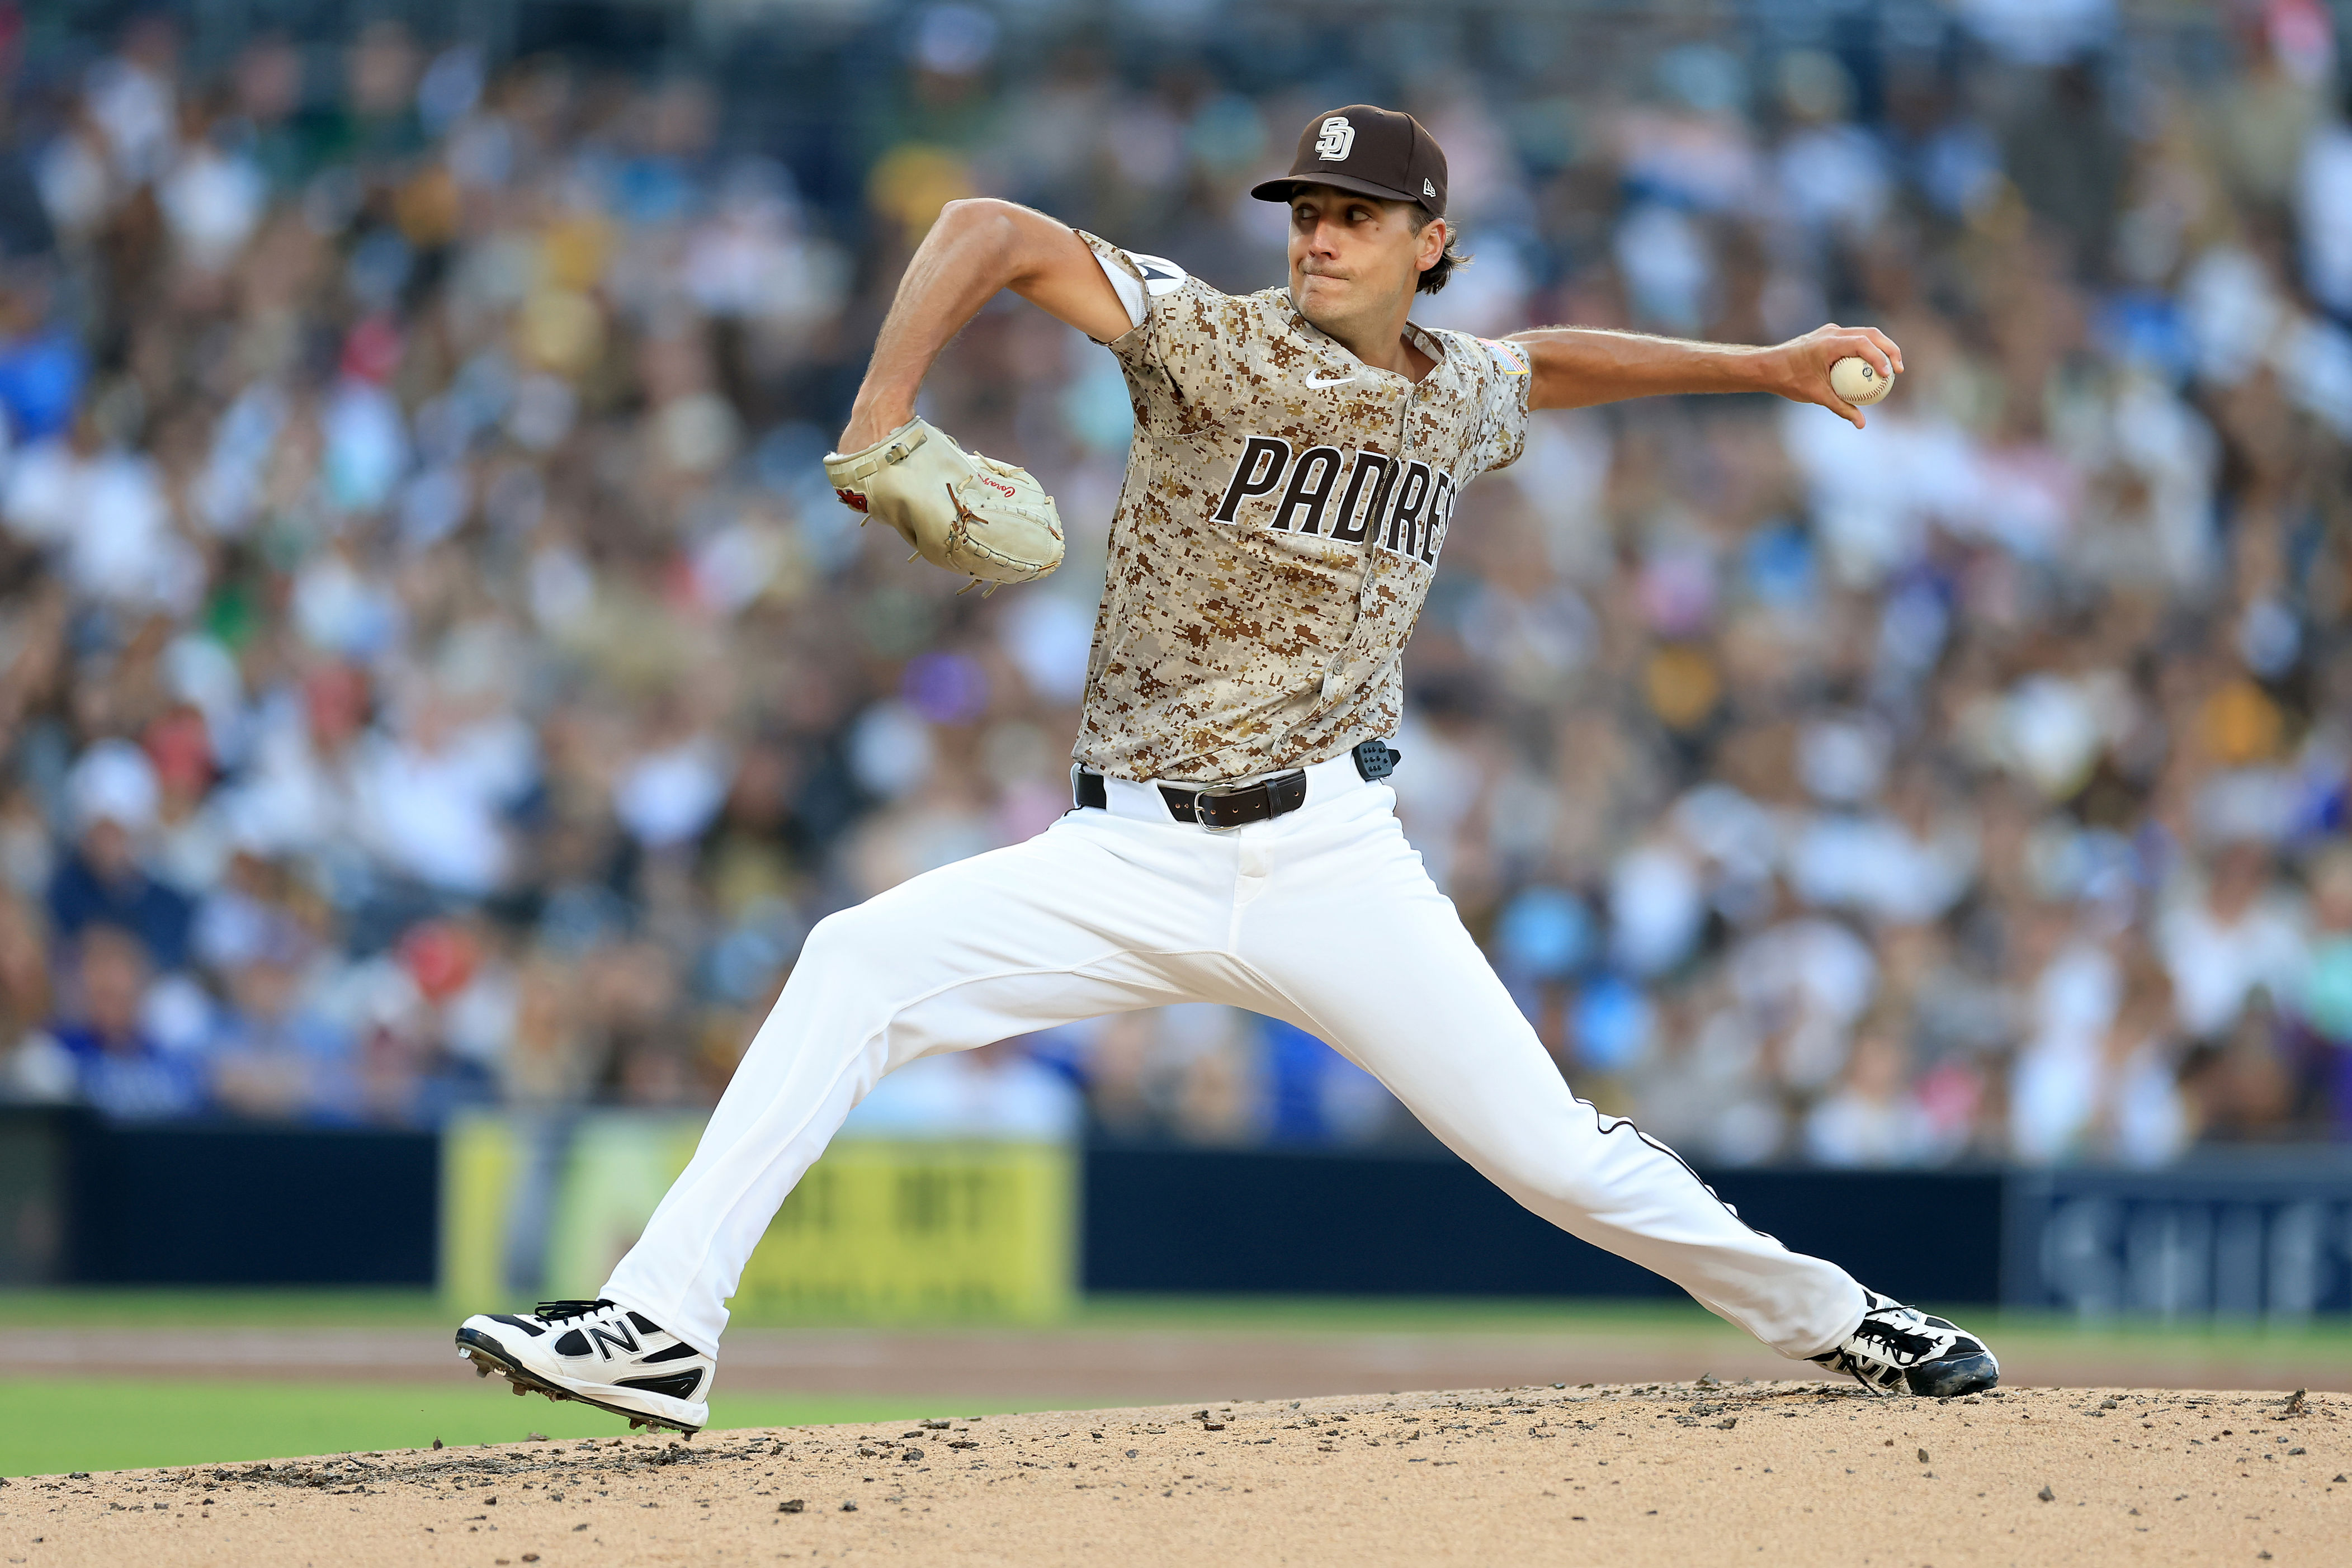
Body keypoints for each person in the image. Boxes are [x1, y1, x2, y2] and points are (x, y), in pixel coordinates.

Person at [455, 105, 1999, 1434]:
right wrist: (881, 413)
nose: (1319, 238)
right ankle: (661, 1325)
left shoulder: (1454, 390)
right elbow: (986, 227)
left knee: (1556, 1158)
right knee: (853, 961)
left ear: (1429, 243)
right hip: (1124, 855)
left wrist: (1769, 365)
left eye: (1354, 218)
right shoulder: (1209, 339)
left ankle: (1840, 1316)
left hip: (1334, 860)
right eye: (1308, 213)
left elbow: (1549, 369)